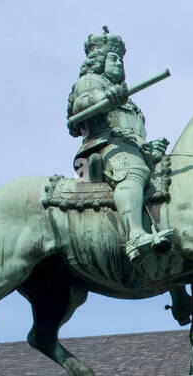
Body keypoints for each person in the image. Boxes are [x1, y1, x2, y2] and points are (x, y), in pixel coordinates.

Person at [67, 27, 173, 262]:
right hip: (101, 148)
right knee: (133, 172)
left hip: (131, 150)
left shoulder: (128, 101)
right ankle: (135, 235)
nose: (119, 64)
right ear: (99, 61)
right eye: (113, 58)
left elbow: (132, 133)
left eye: (121, 60)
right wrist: (102, 99)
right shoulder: (91, 81)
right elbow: (81, 105)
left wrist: (150, 149)